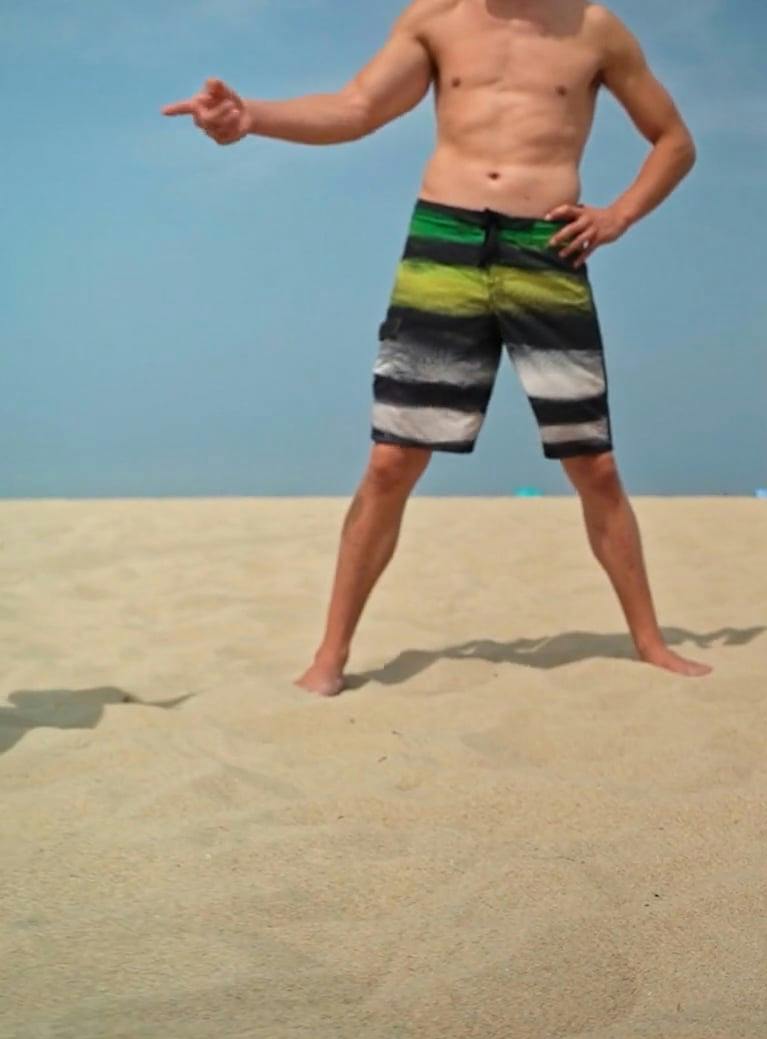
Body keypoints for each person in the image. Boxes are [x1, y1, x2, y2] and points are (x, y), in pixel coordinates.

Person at [163, 0, 711, 693]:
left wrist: (618, 215)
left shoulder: (594, 28)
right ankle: (330, 654)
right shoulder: (437, 17)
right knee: (393, 459)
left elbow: (674, 141)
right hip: (444, 243)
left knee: (593, 464)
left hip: (547, 248)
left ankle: (650, 641)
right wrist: (253, 118)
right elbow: (357, 107)